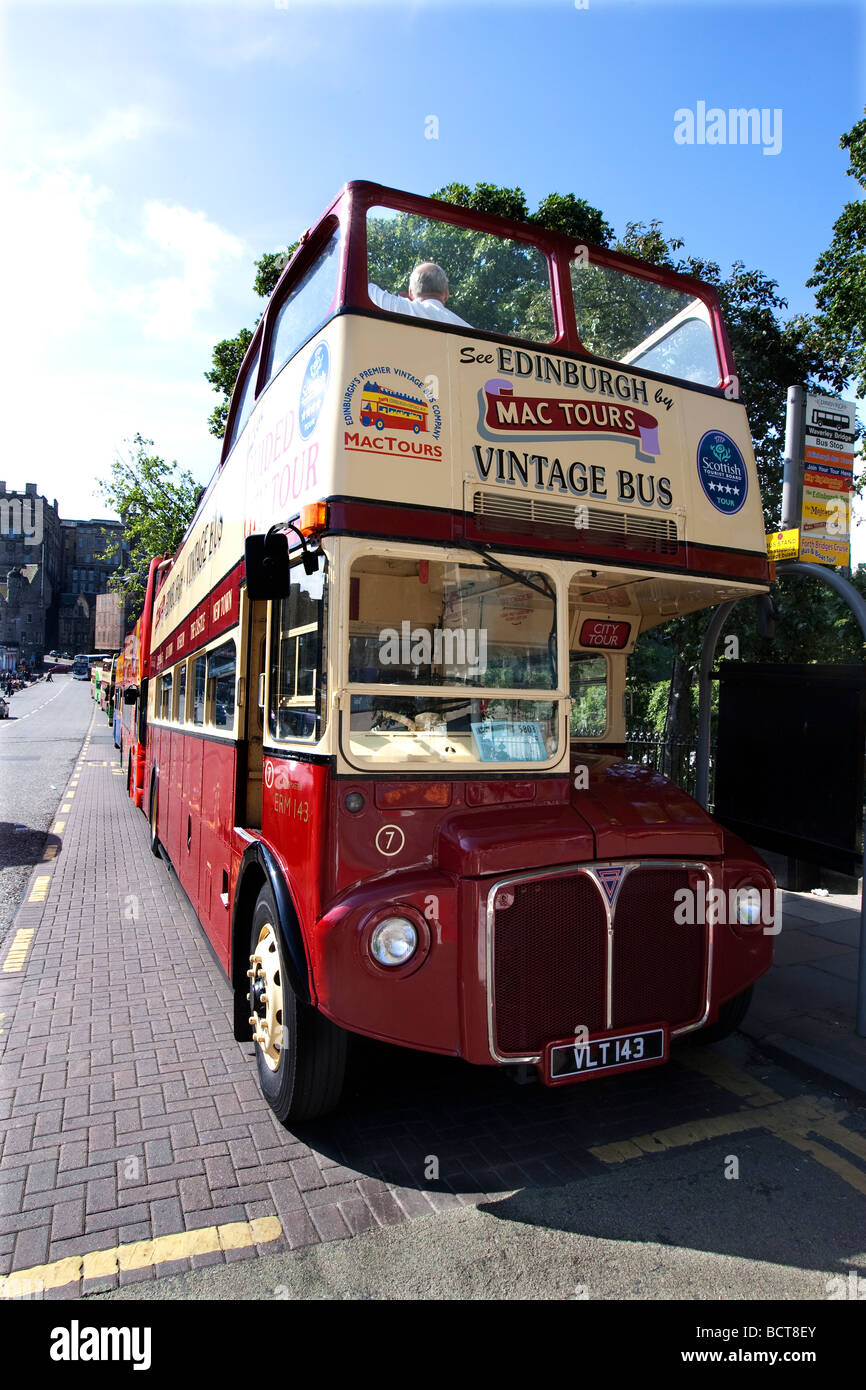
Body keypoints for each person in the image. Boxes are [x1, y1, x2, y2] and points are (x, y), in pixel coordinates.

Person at [368, 261, 470, 327]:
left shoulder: (397, 307)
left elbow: (362, 285)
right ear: (447, 293)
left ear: (411, 292)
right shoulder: (467, 329)